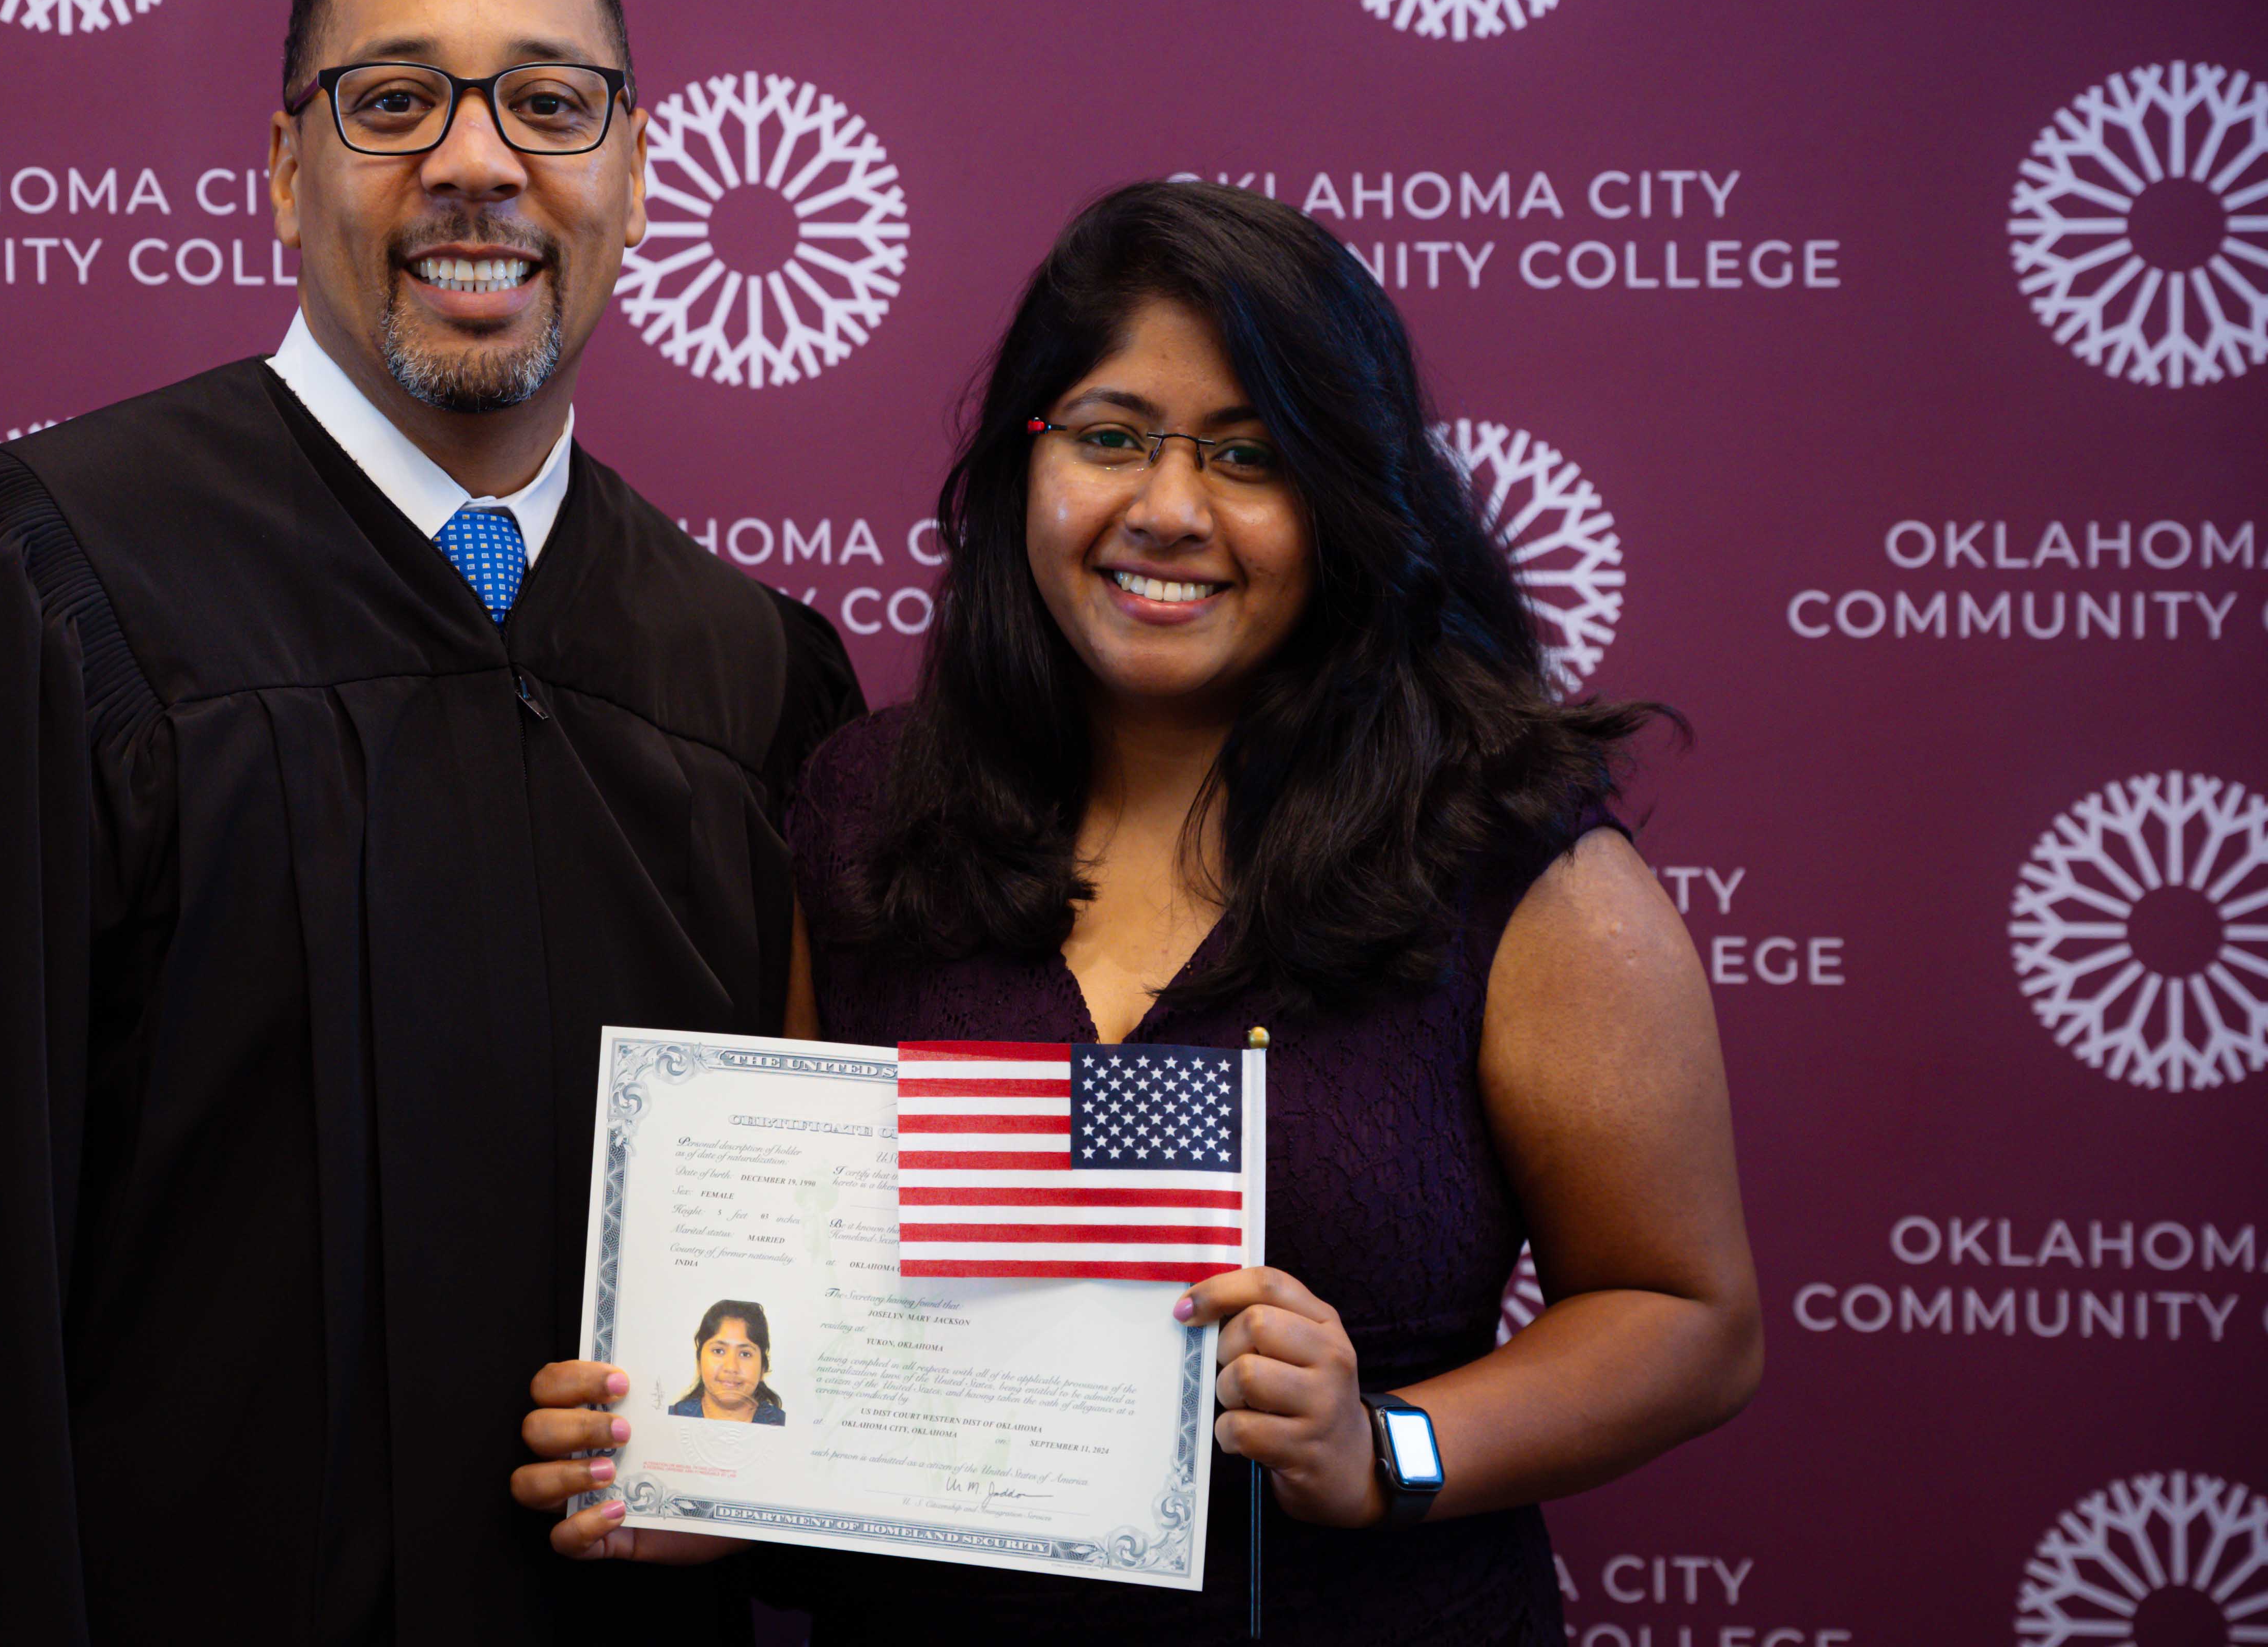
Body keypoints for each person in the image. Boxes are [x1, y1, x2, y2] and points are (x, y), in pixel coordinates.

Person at [0, 0, 860, 1647]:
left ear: (633, 167)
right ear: (283, 170)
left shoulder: (748, 675)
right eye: (392, 102)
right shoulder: (28, 585)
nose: (478, 163)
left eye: (551, 102)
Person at [513, 181, 1759, 1642]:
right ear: (1023, 463)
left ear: (1347, 501)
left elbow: (1689, 1320)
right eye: (1111, 437)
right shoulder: (866, 809)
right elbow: (805, 1272)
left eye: (1251, 456)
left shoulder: (1503, 852)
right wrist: (691, 1464)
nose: (1169, 511)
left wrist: (1387, 1451)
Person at [669, 1302, 786, 1423]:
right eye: (719, 1351)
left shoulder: (784, 1426)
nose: (731, 1367)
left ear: (763, 1368)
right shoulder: (671, 1420)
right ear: (699, 1362)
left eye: (745, 1354)